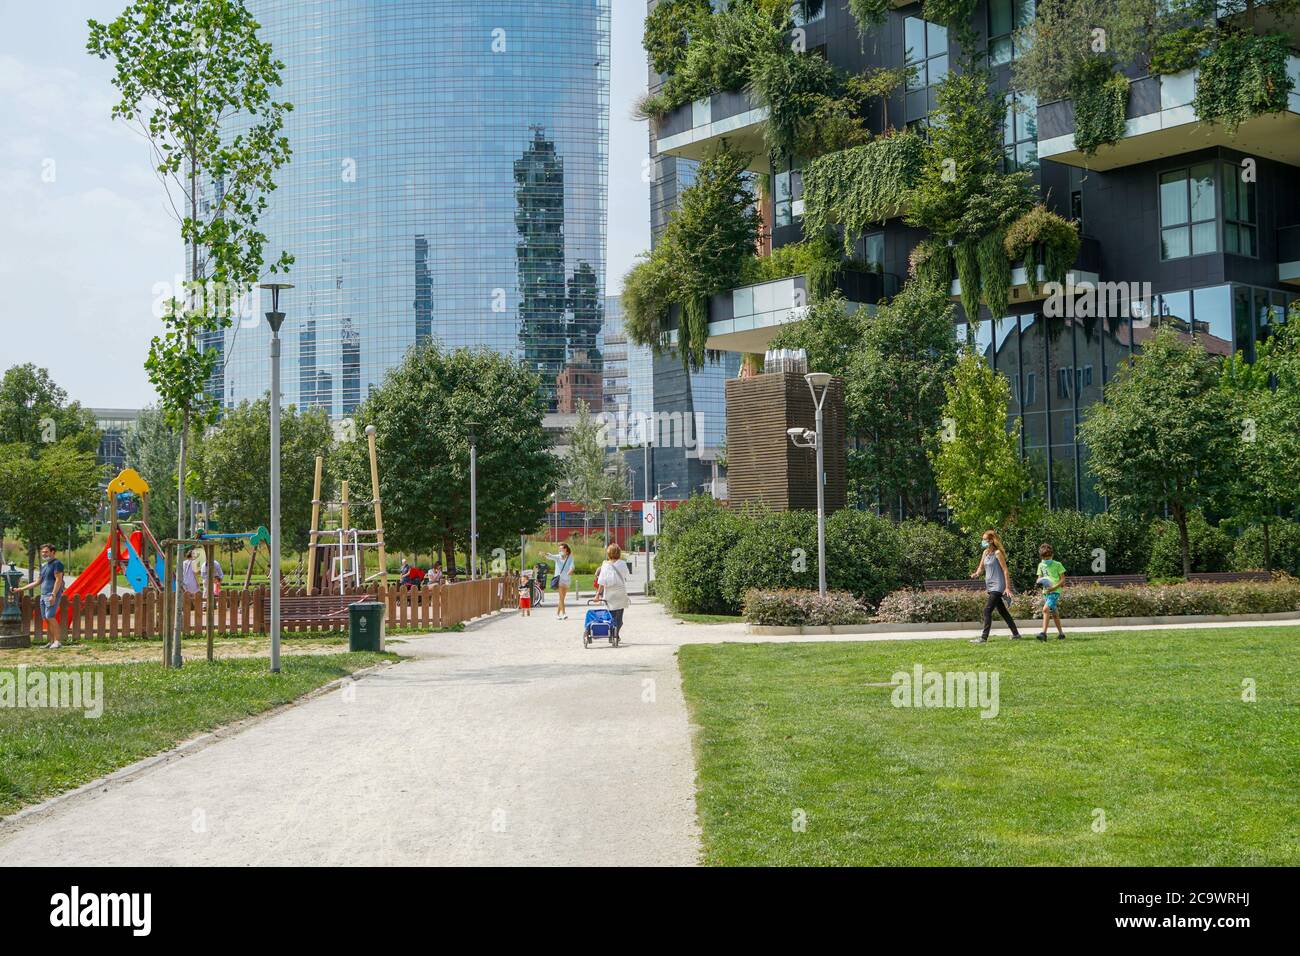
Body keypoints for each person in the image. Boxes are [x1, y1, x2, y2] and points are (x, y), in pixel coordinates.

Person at [969, 530, 1020, 643]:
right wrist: (976, 574)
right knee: (1003, 611)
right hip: (990, 586)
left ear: (991, 540)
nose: (983, 541)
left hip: (998, 585)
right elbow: (981, 567)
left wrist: (1007, 587)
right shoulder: (985, 553)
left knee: (987, 610)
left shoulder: (998, 553)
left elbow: (1005, 570)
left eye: (985, 539)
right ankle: (1016, 634)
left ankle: (983, 637)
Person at [16, 543, 66, 649]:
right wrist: (21, 589)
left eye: (46, 552)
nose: (44, 554)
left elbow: (58, 580)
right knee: (46, 619)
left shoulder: (57, 564)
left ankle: (57, 642)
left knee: (50, 617)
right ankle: (52, 641)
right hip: (43, 595)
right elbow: (38, 582)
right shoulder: (44, 566)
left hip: (51, 595)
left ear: (53, 552)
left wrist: (53, 594)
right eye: (42, 552)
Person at [595, 543, 630, 640]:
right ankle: (615, 634)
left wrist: (597, 594)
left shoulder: (605, 565)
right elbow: (626, 575)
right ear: (619, 553)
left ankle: (612, 634)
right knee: (619, 618)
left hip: (609, 593)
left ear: (608, 554)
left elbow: (601, 581)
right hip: (620, 592)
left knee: (611, 617)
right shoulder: (622, 563)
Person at [1035, 543, 1067, 641]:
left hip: (1055, 591)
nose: (1047, 559)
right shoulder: (1041, 565)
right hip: (1046, 591)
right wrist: (1039, 581)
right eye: (1045, 558)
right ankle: (1061, 634)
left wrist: (1054, 587)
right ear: (1041, 557)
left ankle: (1043, 633)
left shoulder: (1058, 564)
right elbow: (1039, 578)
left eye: (1048, 557)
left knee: (1045, 609)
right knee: (1054, 613)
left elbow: (1062, 579)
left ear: (1052, 555)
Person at [546, 542, 575, 620]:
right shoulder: (558, 557)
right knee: (561, 597)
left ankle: (557, 614)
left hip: (567, 580)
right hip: (559, 579)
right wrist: (546, 554)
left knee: (562, 598)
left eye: (562, 549)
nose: (560, 550)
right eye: (560, 549)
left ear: (566, 550)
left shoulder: (570, 557)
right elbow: (550, 556)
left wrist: (571, 570)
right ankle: (564, 613)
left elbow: (572, 566)